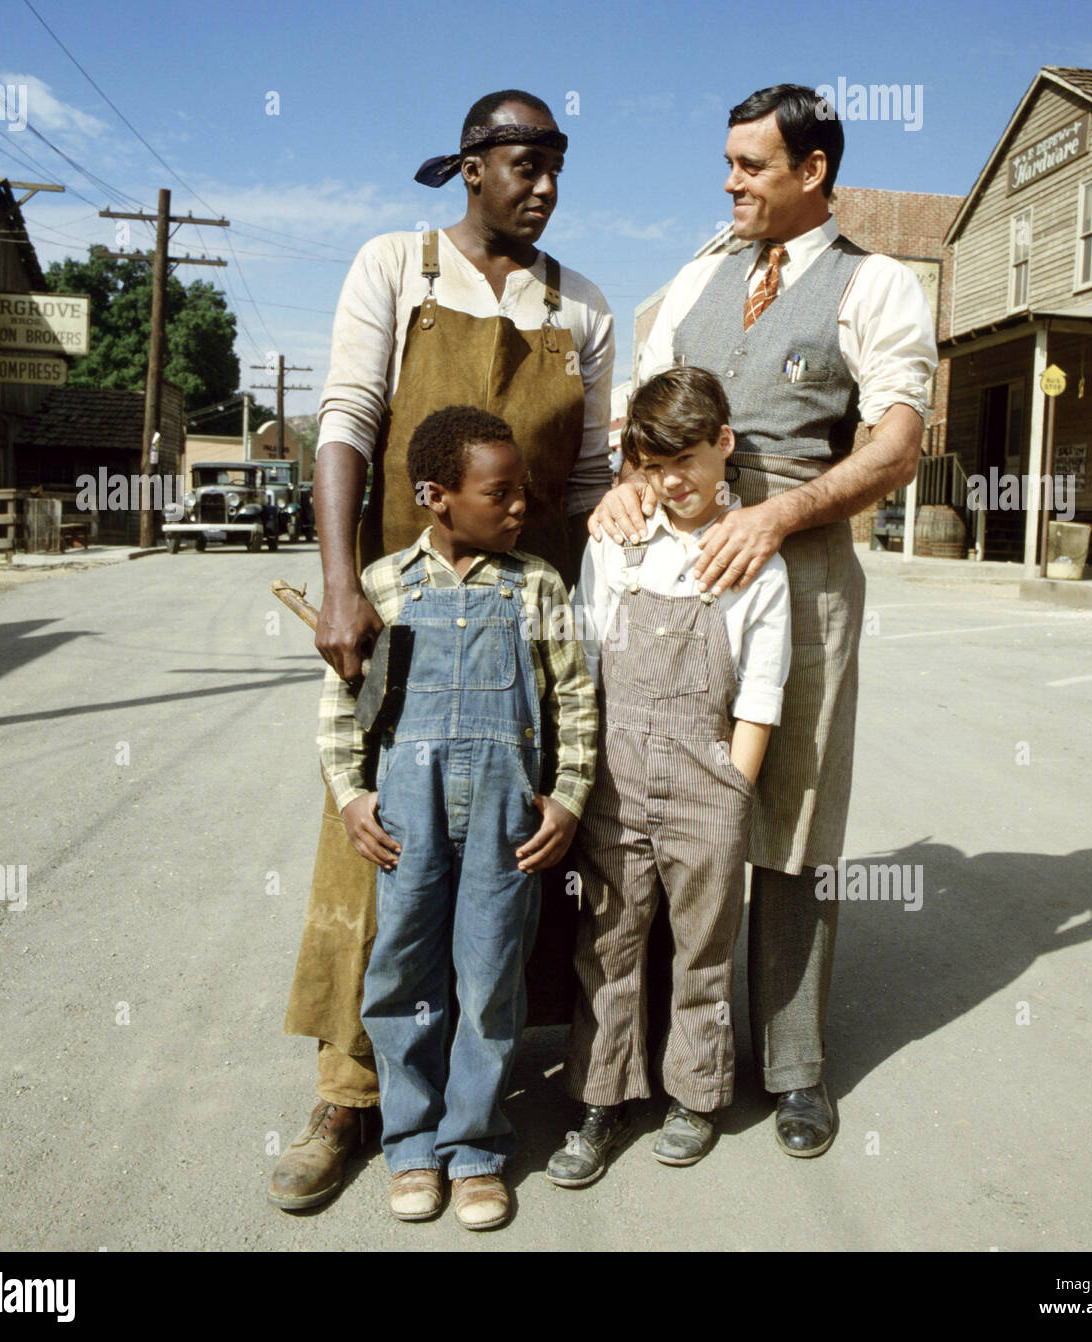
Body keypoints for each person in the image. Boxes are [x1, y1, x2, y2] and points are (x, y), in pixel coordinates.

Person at [269, 89, 613, 1212]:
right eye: (526, 164)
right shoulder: (394, 267)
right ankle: (349, 1094)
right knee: (370, 855)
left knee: (501, 881)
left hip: (523, 616)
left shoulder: (585, 306)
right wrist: (337, 588)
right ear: (472, 165)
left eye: (559, 166)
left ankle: (478, 1113)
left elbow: (600, 486)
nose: (547, 187)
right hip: (399, 612)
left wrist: (590, 629)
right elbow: (344, 422)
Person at [593, 84, 937, 1159]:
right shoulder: (698, 273)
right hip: (673, 567)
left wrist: (783, 511)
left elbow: (895, 444)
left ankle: (792, 1066)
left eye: (751, 165)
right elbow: (635, 415)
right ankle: (644, 1061)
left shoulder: (873, 285)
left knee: (790, 818)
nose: (730, 181)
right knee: (651, 806)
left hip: (803, 564)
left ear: (813, 172)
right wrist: (619, 484)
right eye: (730, 162)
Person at [321, 406, 596, 1228]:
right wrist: (350, 793)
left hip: (507, 814)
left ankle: (475, 1147)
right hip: (406, 812)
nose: (521, 508)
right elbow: (344, 707)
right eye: (500, 493)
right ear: (436, 496)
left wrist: (570, 794)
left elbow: (576, 698)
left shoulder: (538, 583)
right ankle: (410, 1143)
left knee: (488, 975)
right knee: (403, 972)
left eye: (524, 492)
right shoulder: (384, 585)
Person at [547, 367, 791, 1187]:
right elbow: (581, 660)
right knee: (608, 943)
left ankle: (696, 1093)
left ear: (725, 445)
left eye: (684, 460)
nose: (669, 484)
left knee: (702, 949)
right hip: (616, 781)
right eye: (650, 467)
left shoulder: (755, 560)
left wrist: (732, 787)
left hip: (705, 787)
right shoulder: (617, 544)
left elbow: (760, 692)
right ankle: (602, 1098)